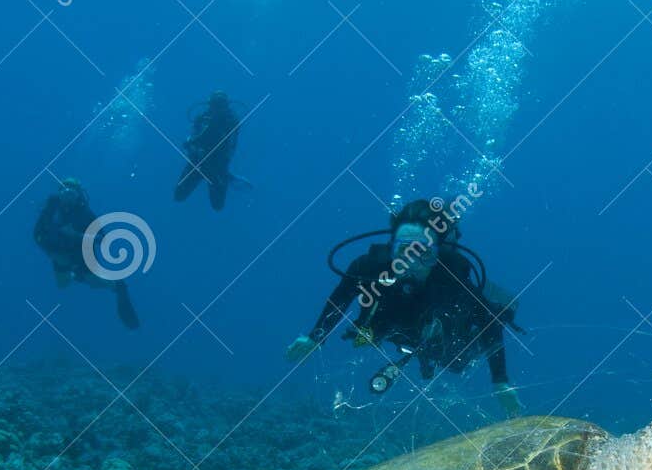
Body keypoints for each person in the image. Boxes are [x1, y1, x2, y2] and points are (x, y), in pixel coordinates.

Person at [286, 199, 522, 415]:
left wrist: (500, 381)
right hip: (396, 330)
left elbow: (488, 322)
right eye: (404, 251)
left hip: (443, 334)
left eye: (423, 253)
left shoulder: (451, 276)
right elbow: (340, 298)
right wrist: (316, 337)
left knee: (455, 362)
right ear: (391, 248)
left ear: (437, 254)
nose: (411, 264)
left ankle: (501, 299)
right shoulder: (369, 268)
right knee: (370, 334)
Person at [33, 178, 140, 330]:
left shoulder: (85, 213)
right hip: (59, 255)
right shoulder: (50, 210)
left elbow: (103, 239)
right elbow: (37, 234)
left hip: (82, 256)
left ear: (79, 195)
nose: (68, 197)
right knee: (62, 285)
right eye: (64, 192)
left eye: (72, 193)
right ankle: (75, 275)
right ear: (59, 194)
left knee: (94, 281)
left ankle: (118, 285)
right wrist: (51, 252)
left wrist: (76, 235)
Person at [173, 91, 243, 211]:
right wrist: (192, 145)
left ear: (226, 106)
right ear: (210, 105)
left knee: (217, 206)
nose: (218, 108)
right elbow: (193, 137)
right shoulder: (202, 119)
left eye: (221, 105)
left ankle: (228, 176)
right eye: (215, 104)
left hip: (218, 165)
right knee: (178, 196)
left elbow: (230, 145)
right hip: (198, 162)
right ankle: (228, 177)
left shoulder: (231, 121)